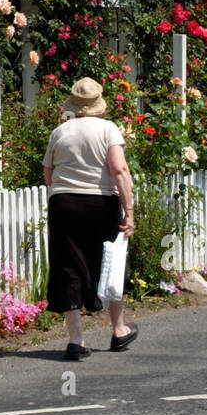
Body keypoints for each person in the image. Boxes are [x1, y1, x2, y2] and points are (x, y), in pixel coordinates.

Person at [42, 77, 138, 360]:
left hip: (63, 202)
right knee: (110, 261)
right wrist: (128, 211)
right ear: (98, 104)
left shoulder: (59, 132)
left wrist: (64, 191)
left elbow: (48, 174)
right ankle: (119, 330)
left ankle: (75, 341)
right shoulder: (108, 129)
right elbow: (119, 170)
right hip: (101, 202)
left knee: (68, 265)